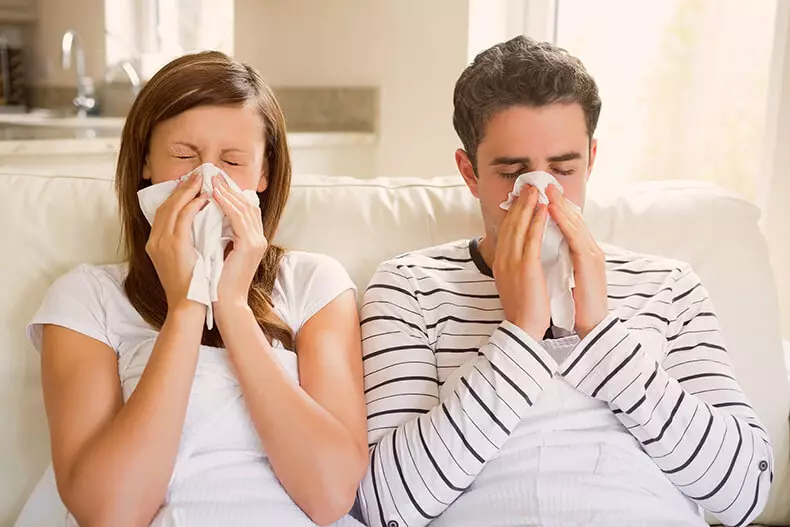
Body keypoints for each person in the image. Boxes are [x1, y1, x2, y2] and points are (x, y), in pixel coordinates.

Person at [358, 36, 773, 527]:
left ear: (591, 160)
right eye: (512, 172)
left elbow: (745, 495)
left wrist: (602, 335)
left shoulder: (669, 286)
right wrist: (520, 333)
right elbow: (386, 507)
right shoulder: (409, 288)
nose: (541, 193)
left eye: (563, 168)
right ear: (469, 174)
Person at [27, 51, 367, 527]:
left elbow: (331, 495)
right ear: (145, 160)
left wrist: (231, 306)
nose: (206, 182)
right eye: (184, 157)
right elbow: (110, 513)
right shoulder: (86, 298)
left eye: (232, 161)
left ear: (264, 175)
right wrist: (187, 306)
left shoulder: (314, 284)